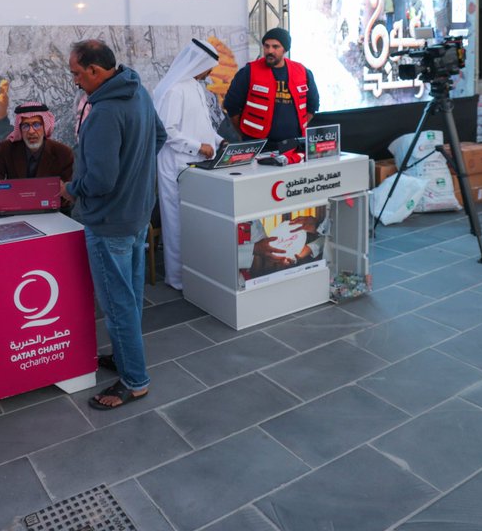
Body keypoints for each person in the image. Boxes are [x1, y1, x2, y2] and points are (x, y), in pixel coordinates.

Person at [63, 39, 165, 410]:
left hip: (109, 224)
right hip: (136, 215)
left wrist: (71, 189)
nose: (75, 81)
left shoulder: (104, 112)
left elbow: (100, 181)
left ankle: (134, 381)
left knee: (118, 305)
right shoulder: (139, 92)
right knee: (130, 299)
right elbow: (159, 137)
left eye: (77, 73)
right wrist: (134, 176)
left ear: (95, 71)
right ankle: (126, 358)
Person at [152, 38, 223, 290]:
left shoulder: (194, 87)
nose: (210, 73)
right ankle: (177, 277)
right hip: (176, 165)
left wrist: (219, 141)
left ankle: (196, 273)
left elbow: (202, 126)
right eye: (208, 67)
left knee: (194, 220)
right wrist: (197, 147)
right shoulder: (173, 89)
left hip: (198, 163)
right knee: (177, 222)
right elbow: (167, 131)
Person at [0, 102, 74, 213]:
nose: (31, 131)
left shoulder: (63, 153)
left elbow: (68, 193)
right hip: (18, 212)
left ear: (45, 126)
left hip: (53, 214)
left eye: (36, 124)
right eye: (25, 126)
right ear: (20, 129)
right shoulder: (7, 149)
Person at [222, 28, 320, 151]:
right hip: (257, 144)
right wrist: (245, 134)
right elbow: (231, 105)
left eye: (275, 47)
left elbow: (313, 105)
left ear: (285, 49)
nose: (269, 51)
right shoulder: (248, 71)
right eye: (266, 46)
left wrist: (298, 126)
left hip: (293, 144)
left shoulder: (303, 72)